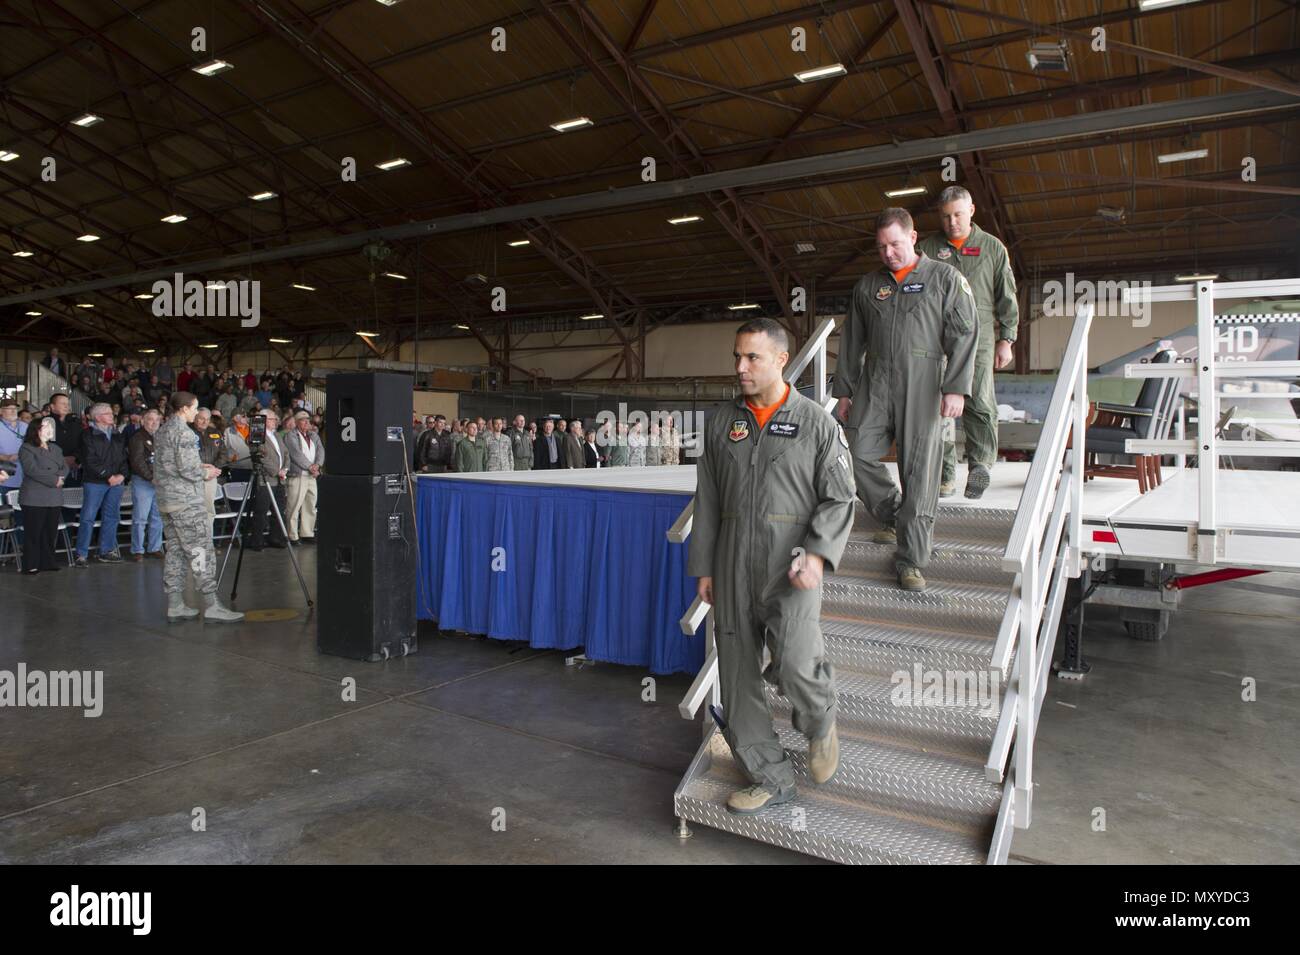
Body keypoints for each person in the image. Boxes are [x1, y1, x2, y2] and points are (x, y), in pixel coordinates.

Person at [690, 317, 856, 814]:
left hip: (792, 565)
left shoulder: (817, 423)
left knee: (797, 663)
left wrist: (820, 554)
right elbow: (709, 498)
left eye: (752, 357)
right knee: (739, 681)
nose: (740, 367)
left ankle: (820, 720)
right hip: (732, 563)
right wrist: (705, 566)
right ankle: (771, 777)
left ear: (782, 359)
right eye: (737, 356)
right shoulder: (723, 423)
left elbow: (840, 497)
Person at [834, 207, 978, 592]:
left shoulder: (944, 278)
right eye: (881, 247)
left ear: (913, 238)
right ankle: (892, 512)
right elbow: (851, 342)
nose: (888, 253)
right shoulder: (868, 286)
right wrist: (844, 391)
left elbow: (964, 334)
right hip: (876, 381)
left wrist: (956, 386)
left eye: (895, 244)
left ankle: (912, 560)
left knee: (920, 471)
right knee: (854, 450)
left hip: (925, 380)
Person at [917, 185, 1019, 499]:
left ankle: (981, 466)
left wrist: (1008, 339)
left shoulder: (992, 248)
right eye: (946, 216)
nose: (952, 222)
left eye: (958, 214)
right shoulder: (927, 248)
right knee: (938, 407)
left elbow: (1007, 296)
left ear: (971, 211)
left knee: (980, 402)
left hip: (981, 336)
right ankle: (945, 475)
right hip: (936, 338)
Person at [154, 392, 242, 622]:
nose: (196, 412)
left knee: (175, 551)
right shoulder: (183, 431)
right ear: (184, 409)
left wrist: (198, 464)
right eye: (194, 408)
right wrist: (207, 471)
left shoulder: (164, 429)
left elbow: (170, 463)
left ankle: (175, 604)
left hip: (167, 499)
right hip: (186, 502)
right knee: (201, 550)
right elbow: (188, 470)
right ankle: (211, 604)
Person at [73, 402, 129, 566]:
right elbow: (89, 459)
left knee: (112, 517)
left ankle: (106, 551)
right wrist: (108, 476)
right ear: (97, 417)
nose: (112, 415)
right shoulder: (87, 435)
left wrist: (121, 475)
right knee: (88, 517)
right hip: (95, 482)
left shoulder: (117, 434)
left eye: (111, 412)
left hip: (116, 482)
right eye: (108, 413)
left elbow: (124, 457)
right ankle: (81, 554)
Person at [17, 416, 68, 574]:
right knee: (34, 532)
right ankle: (30, 563)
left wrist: (60, 477)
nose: (50, 430)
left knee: (49, 532)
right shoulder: (27, 448)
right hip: (34, 497)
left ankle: (47, 561)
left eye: (51, 428)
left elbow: (64, 467)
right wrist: (54, 479)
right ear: (36, 430)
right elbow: (32, 470)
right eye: (46, 427)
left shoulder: (56, 448)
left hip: (54, 496)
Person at [248, 409, 289, 550]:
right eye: (272, 419)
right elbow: (260, 455)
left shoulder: (277, 435)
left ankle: (275, 538)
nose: (276, 421)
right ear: (263, 420)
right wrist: (276, 471)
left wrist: (285, 469)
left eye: (275, 419)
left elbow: (286, 453)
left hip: (280, 479)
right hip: (265, 478)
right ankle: (257, 541)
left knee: (279, 510)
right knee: (261, 510)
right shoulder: (256, 433)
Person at [127, 409, 165, 561]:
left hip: (160, 482)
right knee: (140, 518)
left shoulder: (162, 437)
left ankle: (155, 547)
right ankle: (137, 549)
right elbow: (137, 462)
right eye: (150, 419)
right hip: (143, 481)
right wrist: (151, 477)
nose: (154, 422)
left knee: (158, 517)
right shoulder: (137, 438)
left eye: (157, 420)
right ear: (143, 421)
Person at [284, 411, 323, 543]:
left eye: (308, 420)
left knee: (310, 505)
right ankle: (292, 535)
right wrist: (311, 467)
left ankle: (307, 533)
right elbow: (295, 454)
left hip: (312, 476)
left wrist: (317, 465)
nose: (307, 422)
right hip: (298, 475)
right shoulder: (291, 435)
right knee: (294, 506)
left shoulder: (313, 435)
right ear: (296, 422)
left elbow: (320, 451)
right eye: (303, 420)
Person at [192, 408, 226, 526]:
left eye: (207, 419)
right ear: (195, 418)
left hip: (211, 477)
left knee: (209, 511)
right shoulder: (186, 432)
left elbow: (223, 453)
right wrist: (202, 470)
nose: (204, 422)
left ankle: (207, 542)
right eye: (201, 418)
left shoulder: (215, 432)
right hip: (192, 477)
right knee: (192, 512)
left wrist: (213, 470)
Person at [49, 392, 83, 480]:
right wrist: (61, 459)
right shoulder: (45, 422)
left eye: (67, 404)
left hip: (74, 468)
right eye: (63, 404)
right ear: (52, 406)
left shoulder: (76, 422)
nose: (66, 406)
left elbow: (83, 442)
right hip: (52, 470)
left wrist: (76, 458)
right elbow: (42, 446)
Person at [0, 398, 26, 497]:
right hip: (5, 477)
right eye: (9, 408)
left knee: (22, 510)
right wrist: (6, 457)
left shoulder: (25, 426)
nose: (13, 411)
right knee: (6, 510)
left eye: (15, 408)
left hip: (25, 477)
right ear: (1, 411)